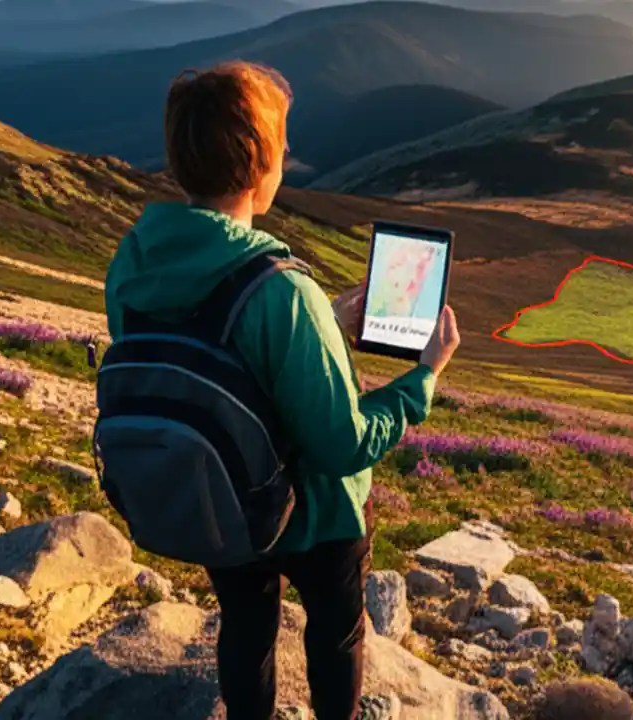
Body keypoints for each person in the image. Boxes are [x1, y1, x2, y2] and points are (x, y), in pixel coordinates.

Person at [103, 61, 460, 720]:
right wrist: (423, 378)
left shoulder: (133, 261)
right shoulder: (279, 291)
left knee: (246, 625)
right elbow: (345, 444)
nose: (287, 154)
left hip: (222, 505)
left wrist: (319, 319)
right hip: (316, 517)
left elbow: (200, 350)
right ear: (260, 161)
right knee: (336, 633)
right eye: (281, 142)